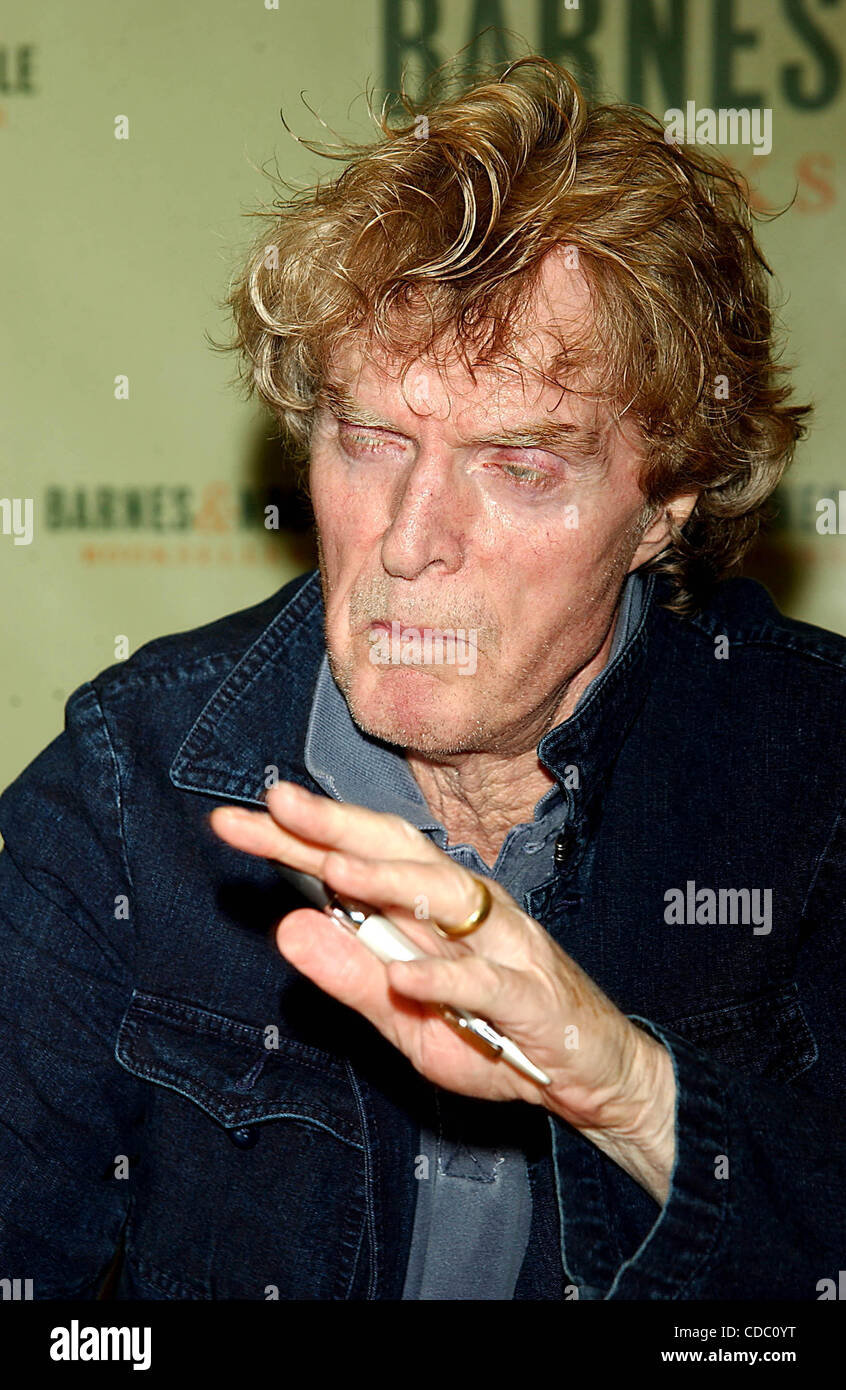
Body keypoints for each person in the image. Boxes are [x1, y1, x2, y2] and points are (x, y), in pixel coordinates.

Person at [0, 56, 843, 1302]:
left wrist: (627, 1091)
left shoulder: (817, 783)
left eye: (520, 466)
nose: (409, 538)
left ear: (665, 506)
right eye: (371, 439)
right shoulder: (128, 795)